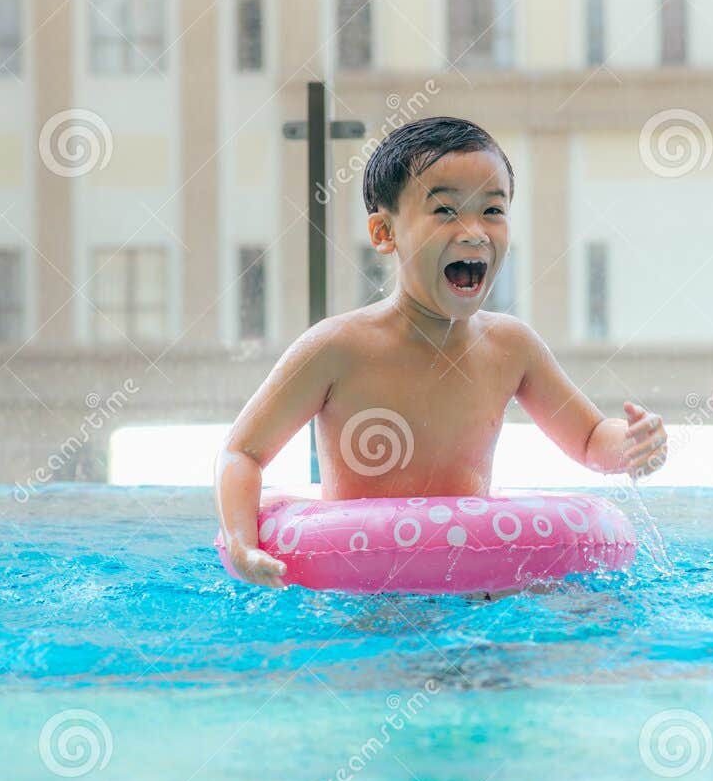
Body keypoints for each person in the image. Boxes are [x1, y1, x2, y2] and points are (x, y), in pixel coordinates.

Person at [215, 116, 667, 588]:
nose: (474, 231)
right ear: (384, 233)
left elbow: (591, 437)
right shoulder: (335, 349)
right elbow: (242, 452)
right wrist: (243, 543)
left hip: (478, 586)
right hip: (367, 593)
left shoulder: (511, 347)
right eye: (446, 211)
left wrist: (631, 445)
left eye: (493, 211)